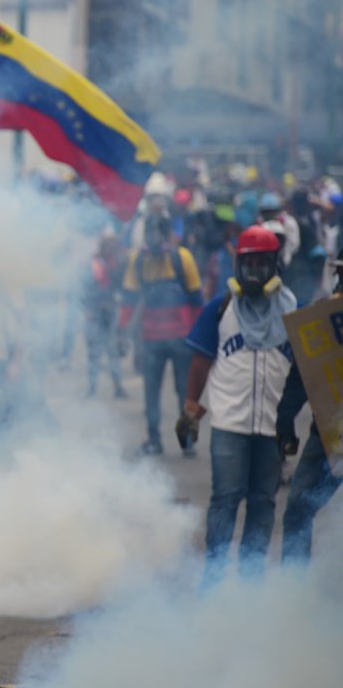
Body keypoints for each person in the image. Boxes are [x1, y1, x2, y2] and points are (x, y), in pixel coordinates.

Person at [179, 226, 297, 585]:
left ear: (275, 266)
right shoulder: (221, 309)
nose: (255, 274)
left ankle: (250, 585)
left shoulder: (294, 312)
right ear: (237, 265)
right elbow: (201, 360)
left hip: (271, 425)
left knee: (263, 503)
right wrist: (190, 407)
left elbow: (309, 369)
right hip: (229, 423)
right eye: (248, 265)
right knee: (225, 500)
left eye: (263, 265)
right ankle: (212, 582)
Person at [275, 245, 343, 565]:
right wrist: (284, 420)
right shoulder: (321, 318)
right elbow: (303, 374)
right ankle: (294, 595)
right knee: (299, 511)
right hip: (330, 434)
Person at [120, 213, 203, 457]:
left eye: (158, 233)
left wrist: (200, 340)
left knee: (186, 393)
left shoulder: (181, 257)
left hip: (182, 339)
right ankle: (154, 439)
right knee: (151, 392)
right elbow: (129, 299)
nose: (154, 239)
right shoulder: (137, 259)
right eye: (150, 233)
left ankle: (188, 441)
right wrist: (122, 332)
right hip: (151, 339)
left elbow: (197, 299)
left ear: (167, 235)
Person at [83, 232, 127, 399]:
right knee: (95, 351)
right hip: (96, 311)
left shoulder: (117, 263)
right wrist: (88, 309)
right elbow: (87, 289)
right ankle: (93, 388)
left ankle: (117, 386)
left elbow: (121, 287)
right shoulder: (94, 264)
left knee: (112, 350)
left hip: (110, 310)